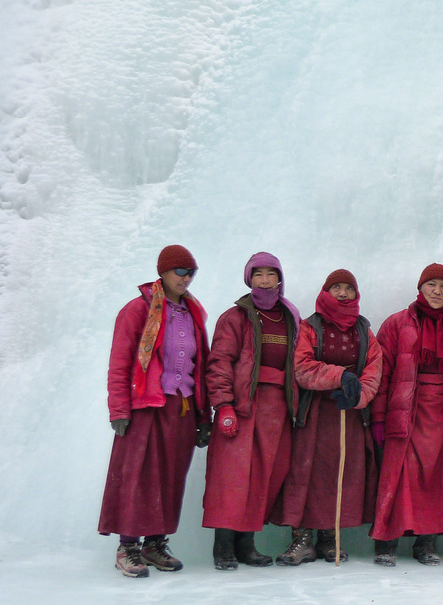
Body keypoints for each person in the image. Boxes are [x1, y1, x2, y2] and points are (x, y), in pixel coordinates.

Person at [99, 245, 210, 577]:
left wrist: (205, 417)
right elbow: (120, 363)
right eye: (180, 271)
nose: (186, 278)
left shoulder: (193, 313)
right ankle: (128, 546)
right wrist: (119, 409)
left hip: (183, 407)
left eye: (191, 272)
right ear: (162, 271)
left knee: (171, 477)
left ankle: (155, 544)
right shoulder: (137, 310)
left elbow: (200, 366)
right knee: (138, 476)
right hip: (146, 406)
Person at [370, 263, 443, 566]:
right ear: (420, 288)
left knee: (436, 479)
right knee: (398, 477)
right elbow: (383, 375)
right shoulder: (396, 323)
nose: (437, 291)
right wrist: (379, 418)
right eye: (431, 285)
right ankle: (386, 541)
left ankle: (426, 542)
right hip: (407, 410)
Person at [272, 269, 382, 565]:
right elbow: (302, 366)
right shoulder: (309, 327)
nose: (343, 294)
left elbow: (374, 369)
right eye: (337, 288)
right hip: (316, 413)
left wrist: (358, 394)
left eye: (348, 288)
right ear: (326, 292)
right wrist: (340, 376)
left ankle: (330, 539)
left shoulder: (364, 330)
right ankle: (302, 538)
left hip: (349, 413)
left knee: (342, 473)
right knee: (306, 472)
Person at [203, 251, 301, 570]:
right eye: (257, 274)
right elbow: (219, 362)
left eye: (270, 274)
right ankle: (223, 548)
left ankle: (246, 544)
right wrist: (224, 405)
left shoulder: (290, 318)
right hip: (244, 407)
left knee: (263, 478)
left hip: (276, 412)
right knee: (230, 479)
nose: (264, 280)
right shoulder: (234, 318)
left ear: (279, 279)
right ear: (249, 279)